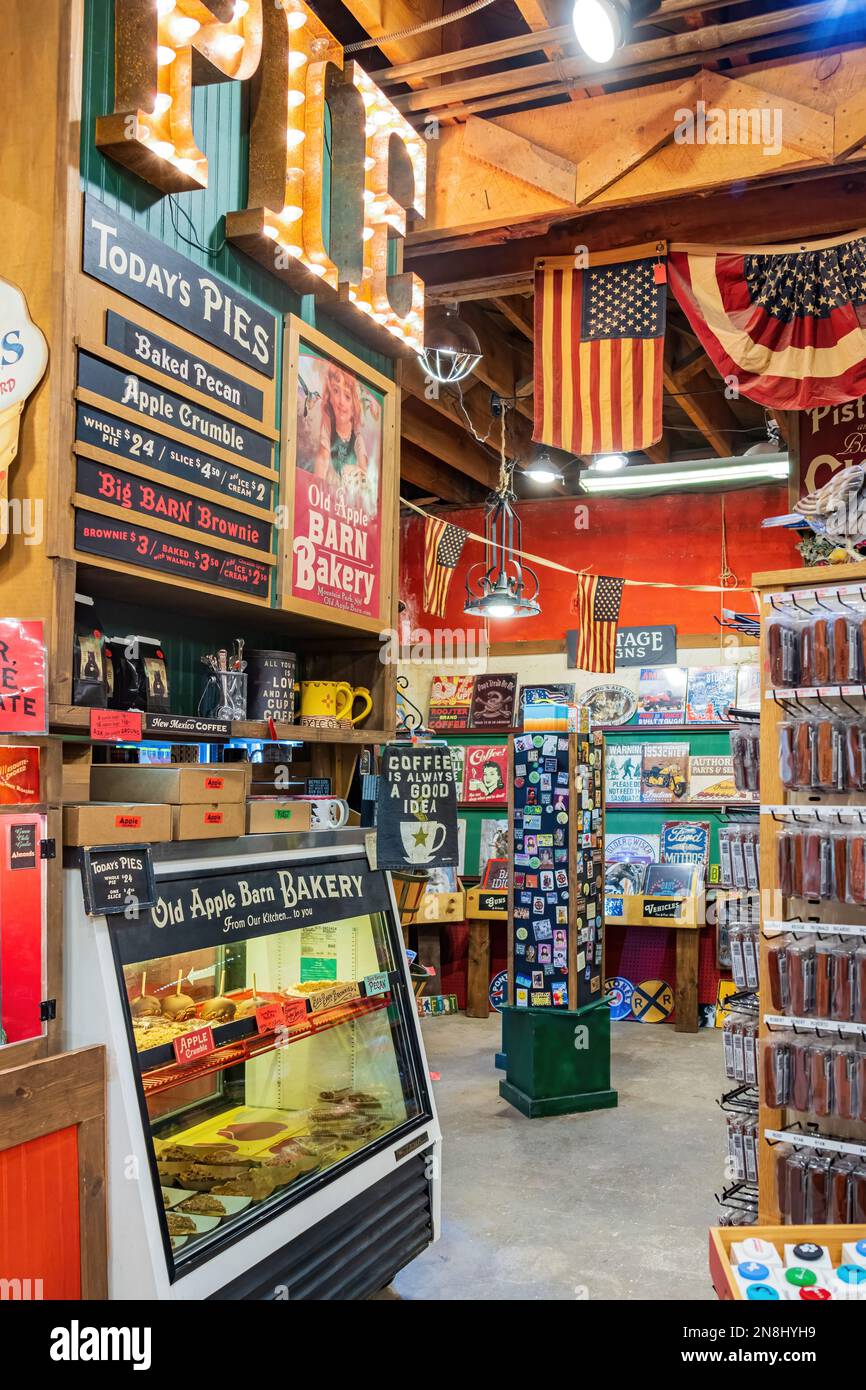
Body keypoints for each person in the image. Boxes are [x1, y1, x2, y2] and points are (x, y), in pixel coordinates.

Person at [315, 363, 368, 488]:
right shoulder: (328, 428)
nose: (341, 402)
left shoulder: (357, 438)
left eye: (347, 396)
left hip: (349, 500)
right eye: (335, 391)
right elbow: (322, 460)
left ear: (354, 406)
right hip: (329, 498)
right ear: (329, 397)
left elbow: (364, 471)